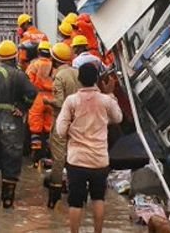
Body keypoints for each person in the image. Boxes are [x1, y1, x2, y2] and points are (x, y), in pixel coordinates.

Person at [55, 62, 123, 233]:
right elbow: (118, 118)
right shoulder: (106, 100)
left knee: (76, 202)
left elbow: (61, 130)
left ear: (79, 79)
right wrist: (110, 94)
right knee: (98, 199)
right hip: (99, 160)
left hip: (77, 160)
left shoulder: (72, 101)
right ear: (96, 80)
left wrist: (73, 131)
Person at [0, 39, 37, 209]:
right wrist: (23, 107)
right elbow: (32, 93)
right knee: (11, 161)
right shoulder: (18, 74)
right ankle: (7, 202)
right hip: (11, 124)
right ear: (14, 57)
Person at [47, 42, 79, 208]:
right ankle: (78, 194)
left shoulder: (60, 76)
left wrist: (47, 101)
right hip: (79, 123)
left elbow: (59, 103)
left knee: (59, 159)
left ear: (54, 60)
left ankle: (55, 199)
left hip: (62, 122)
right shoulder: (78, 72)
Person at [26, 40, 56, 161]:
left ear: (39, 51)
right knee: (49, 125)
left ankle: (36, 150)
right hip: (51, 98)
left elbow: (28, 81)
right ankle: (49, 150)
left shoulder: (34, 65)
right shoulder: (54, 66)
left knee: (35, 124)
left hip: (38, 97)